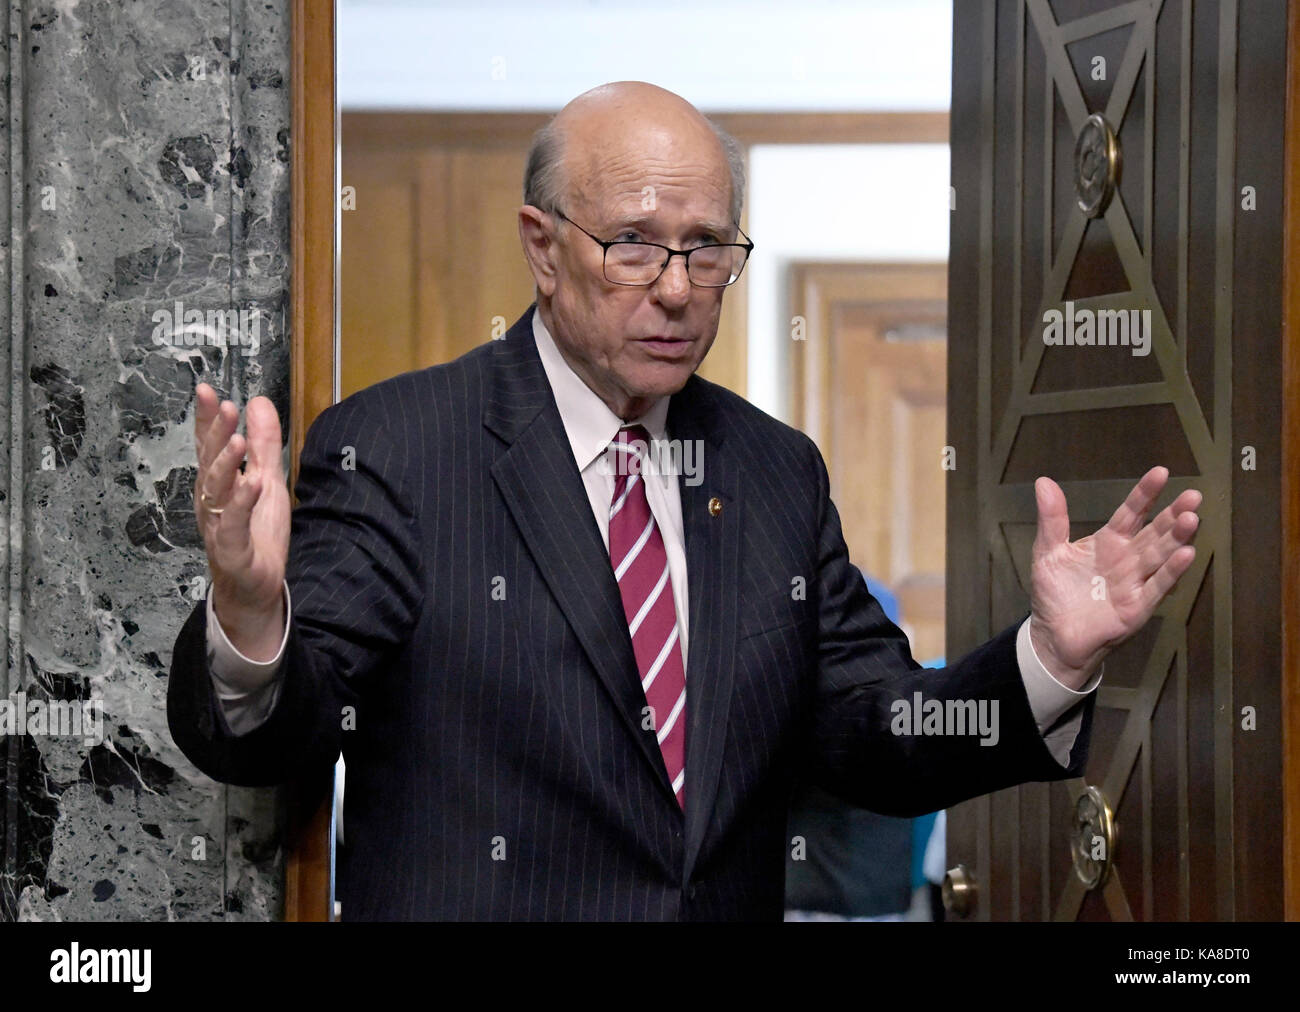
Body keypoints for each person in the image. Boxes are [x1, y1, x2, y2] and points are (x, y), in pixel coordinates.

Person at [167, 81, 1202, 921]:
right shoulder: (397, 448)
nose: (675, 286)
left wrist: (1048, 660)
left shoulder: (771, 469)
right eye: (632, 244)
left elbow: (872, 735)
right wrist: (253, 618)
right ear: (541, 244)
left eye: (708, 247)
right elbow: (271, 741)